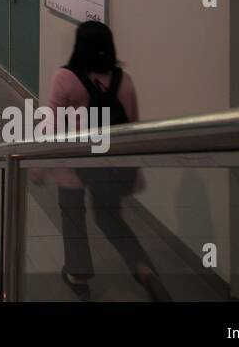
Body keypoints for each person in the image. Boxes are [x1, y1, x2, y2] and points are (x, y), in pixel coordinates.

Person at [50, 21, 168, 302]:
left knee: (73, 217)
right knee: (111, 220)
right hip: (111, 166)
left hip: (75, 163)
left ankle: (78, 274)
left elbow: (51, 126)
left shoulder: (65, 78)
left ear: (79, 46)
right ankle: (142, 267)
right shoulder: (124, 81)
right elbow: (133, 127)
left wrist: (40, 165)